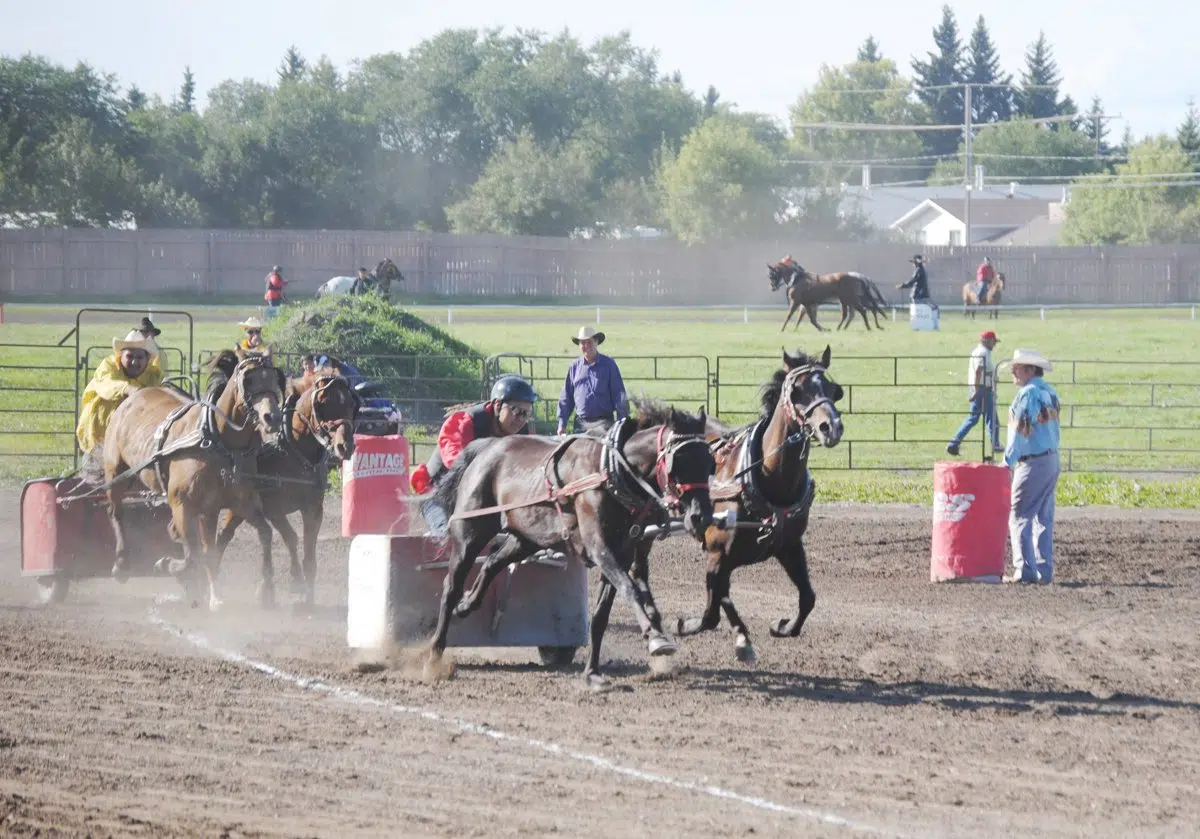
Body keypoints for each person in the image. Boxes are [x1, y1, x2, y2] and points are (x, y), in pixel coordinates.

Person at [409, 375, 539, 536]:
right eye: (517, 412)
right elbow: (456, 461)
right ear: (498, 405)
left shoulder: (523, 434)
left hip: (479, 500)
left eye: (527, 414)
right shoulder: (465, 421)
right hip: (438, 494)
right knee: (447, 533)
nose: (521, 420)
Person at [1002, 349, 1061, 585]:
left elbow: (1020, 431)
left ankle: (1024, 570)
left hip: (1032, 460)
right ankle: (1043, 569)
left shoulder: (1027, 395)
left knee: (1019, 514)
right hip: (1051, 458)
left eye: (1016, 368)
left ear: (1028, 369)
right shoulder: (1050, 392)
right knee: (1043, 515)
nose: (1012, 372)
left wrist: (1007, 460)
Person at [75, 330, 164, 482]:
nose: (135, 362)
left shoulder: (152, 375)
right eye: (129, 356)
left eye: (139, 357)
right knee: (95, 480)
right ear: (120, 357)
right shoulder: (108, 366)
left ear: (147, 359)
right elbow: (106, 385)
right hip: (99, 435)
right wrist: (129, 389)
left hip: (131, 438)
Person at [556, 326, 629, 436]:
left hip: (604, 424)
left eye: (589, 342)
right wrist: (562, 423)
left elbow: (619, 394)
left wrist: (621, 423)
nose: (586, 346)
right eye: (582, 343)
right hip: (581, 423)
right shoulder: (575, 367)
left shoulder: (609, 365)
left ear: (596, 342)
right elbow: (566, 397)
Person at [947, 330, 1002, 458]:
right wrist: (977, 390)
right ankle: (995, 443)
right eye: (994, 342)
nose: (995, 344)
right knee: (992, 418)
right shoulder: (983, 353)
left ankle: (954, 442)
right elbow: (979, 371)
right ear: (988, 341)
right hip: (983, 389)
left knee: (973, 418)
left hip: (980, 388)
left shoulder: (979, 351)